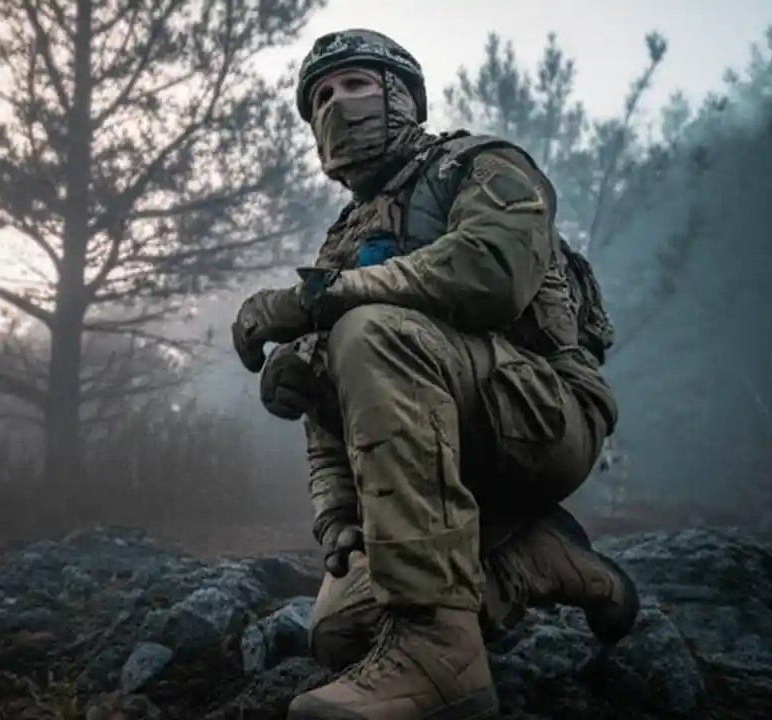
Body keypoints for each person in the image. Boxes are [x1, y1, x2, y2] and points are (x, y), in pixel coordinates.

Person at [231, 28, 639, 720]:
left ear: (403, 97)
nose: (336, 105)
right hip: (445, 449)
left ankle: (440, 659)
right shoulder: (347, 235)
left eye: (356, 84)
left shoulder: (482, 166)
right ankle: (539, 559)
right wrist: (335, 510)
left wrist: (314, 302)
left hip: (546, 415)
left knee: (367, 329)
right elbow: (343, 366)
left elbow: (492, 274)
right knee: (339, 631)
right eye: (320, 97)